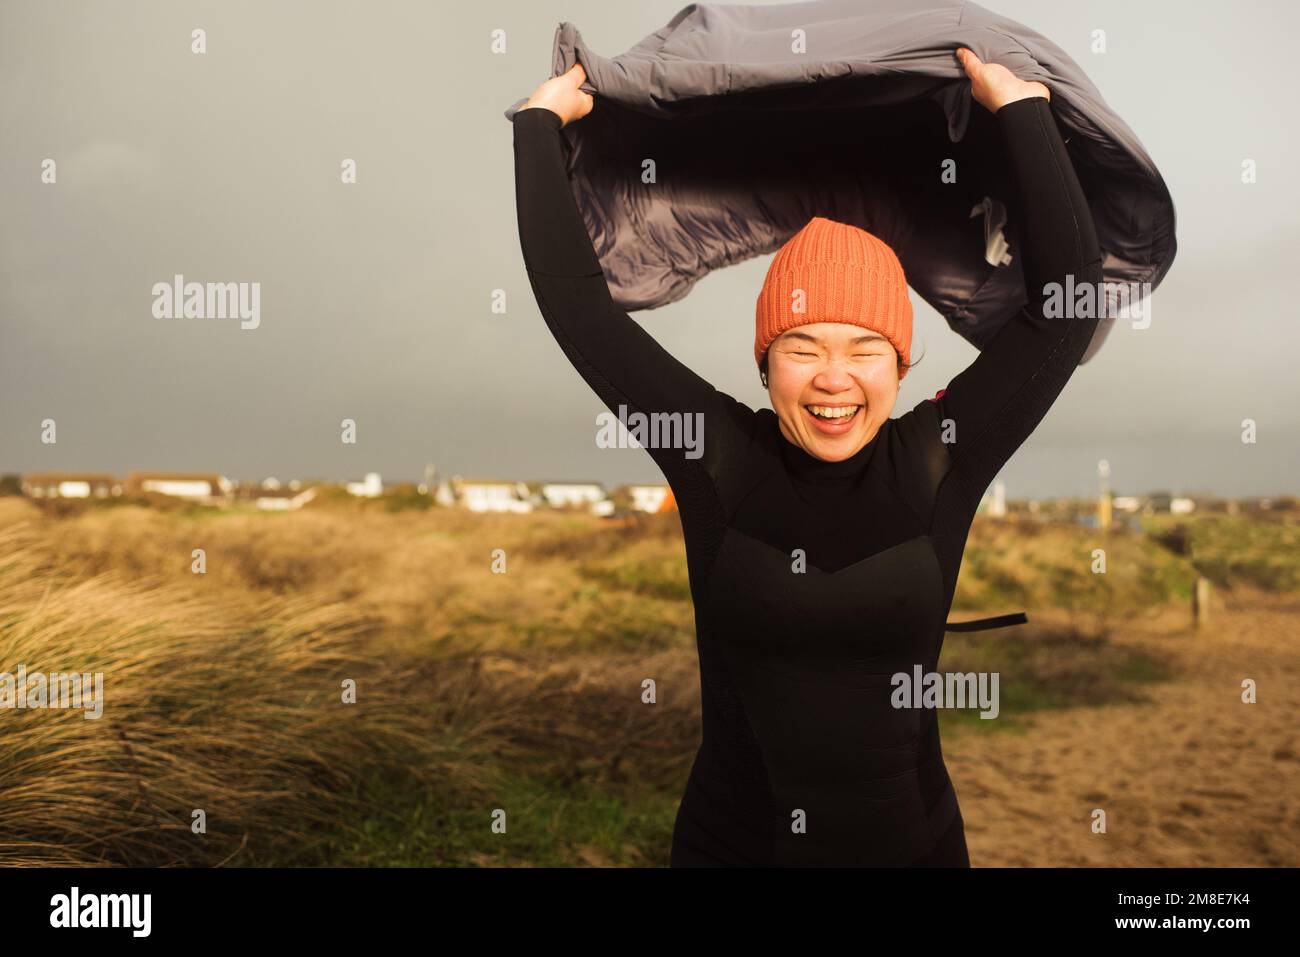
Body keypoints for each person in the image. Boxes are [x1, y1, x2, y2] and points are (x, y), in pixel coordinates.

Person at [511, 47, 1103, 866]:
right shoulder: (717, 457)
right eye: (802, 347)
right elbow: (580, 309)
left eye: (865, 347)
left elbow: (1065, 309)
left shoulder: (941, 458)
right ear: (764, 363)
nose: (834, 378)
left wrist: (1023, 111)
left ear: (901, 365)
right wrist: (539, 127)